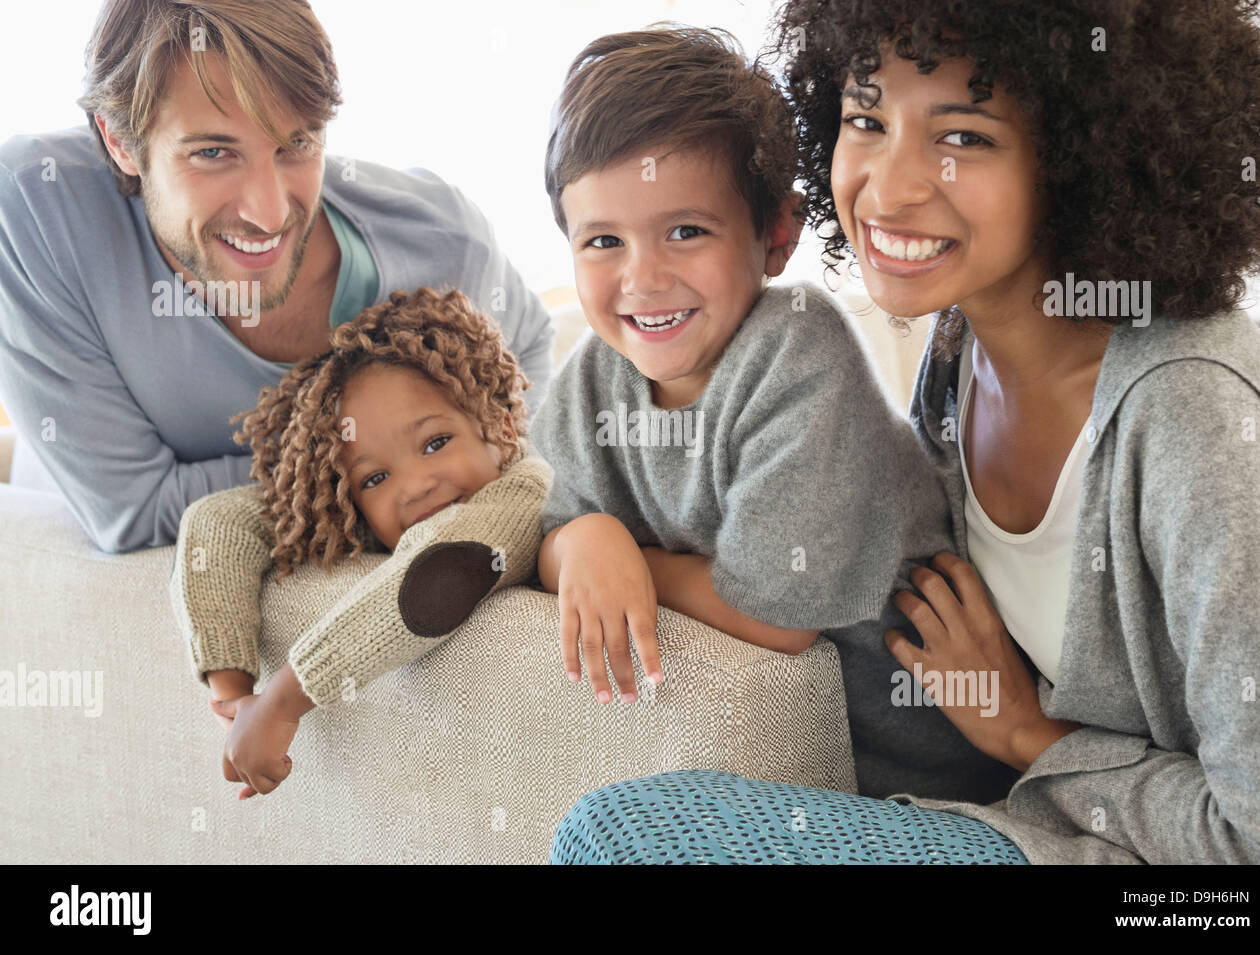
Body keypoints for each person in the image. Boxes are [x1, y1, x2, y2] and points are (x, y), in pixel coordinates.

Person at [551, 0, 1260, 864]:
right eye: (867, 119)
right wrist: (582, 536)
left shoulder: (1191, 412)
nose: (890, 185)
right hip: (994, 821)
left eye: (966, 138)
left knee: (624, 837)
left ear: (1085, 160)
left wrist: (1029, 734)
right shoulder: (959, 351)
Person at [531, 25, 1022, 818]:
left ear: (777, 234)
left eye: (685, 231)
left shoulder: (798, 350)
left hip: (947, 780)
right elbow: (537, 519)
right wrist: (582, 540)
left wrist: (635, 563)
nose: (642, 278)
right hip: (796, 771)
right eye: (602, 241)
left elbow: (775, 615)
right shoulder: (594, 376)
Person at [0, 0, 553, 553]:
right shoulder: (35, 205)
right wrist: (361, 471)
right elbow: (133, 511)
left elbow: (527, 355)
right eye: (213, 152)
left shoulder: (441, 240)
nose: (268, 215)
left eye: (297, 144)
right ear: (120, 143)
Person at [170, 286, 552, 800]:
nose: (415, 485)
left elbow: (441, 566)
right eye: (374, 478)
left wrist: (283, 700)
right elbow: (220, 522)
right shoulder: (377, 522)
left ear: (501, 429)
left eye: (436, 443)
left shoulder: (528, 490)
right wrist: (235, 696)